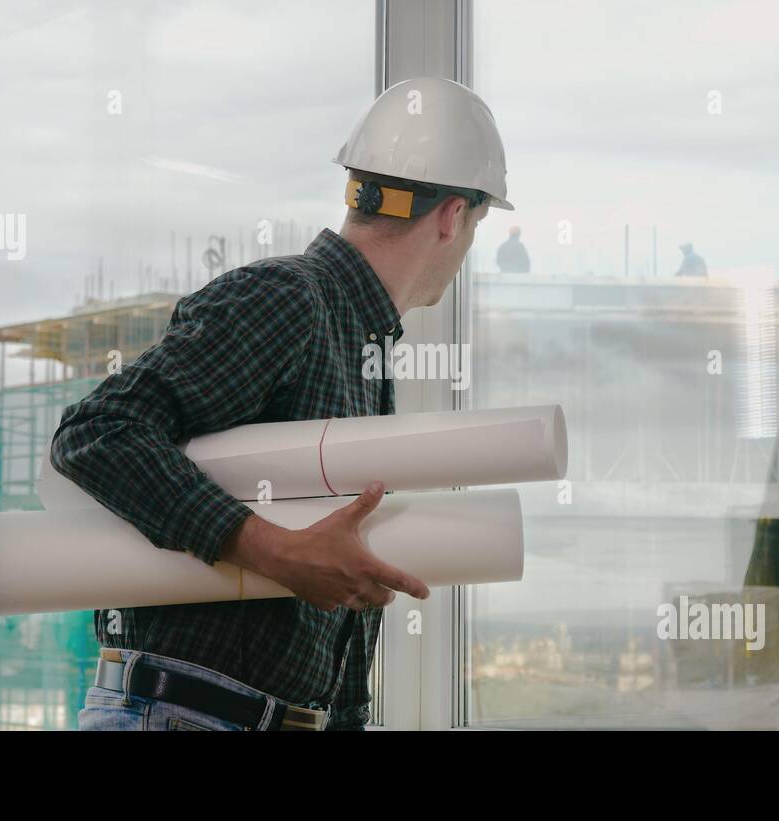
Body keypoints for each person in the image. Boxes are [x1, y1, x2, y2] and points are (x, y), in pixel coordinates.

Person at [51, 77, 513, 731]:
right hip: (181, 712)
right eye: (477, 225)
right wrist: (272, 549)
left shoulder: (362, 349)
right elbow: (98, 430)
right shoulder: (289, 300)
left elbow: (336, 603)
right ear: (451, 217)